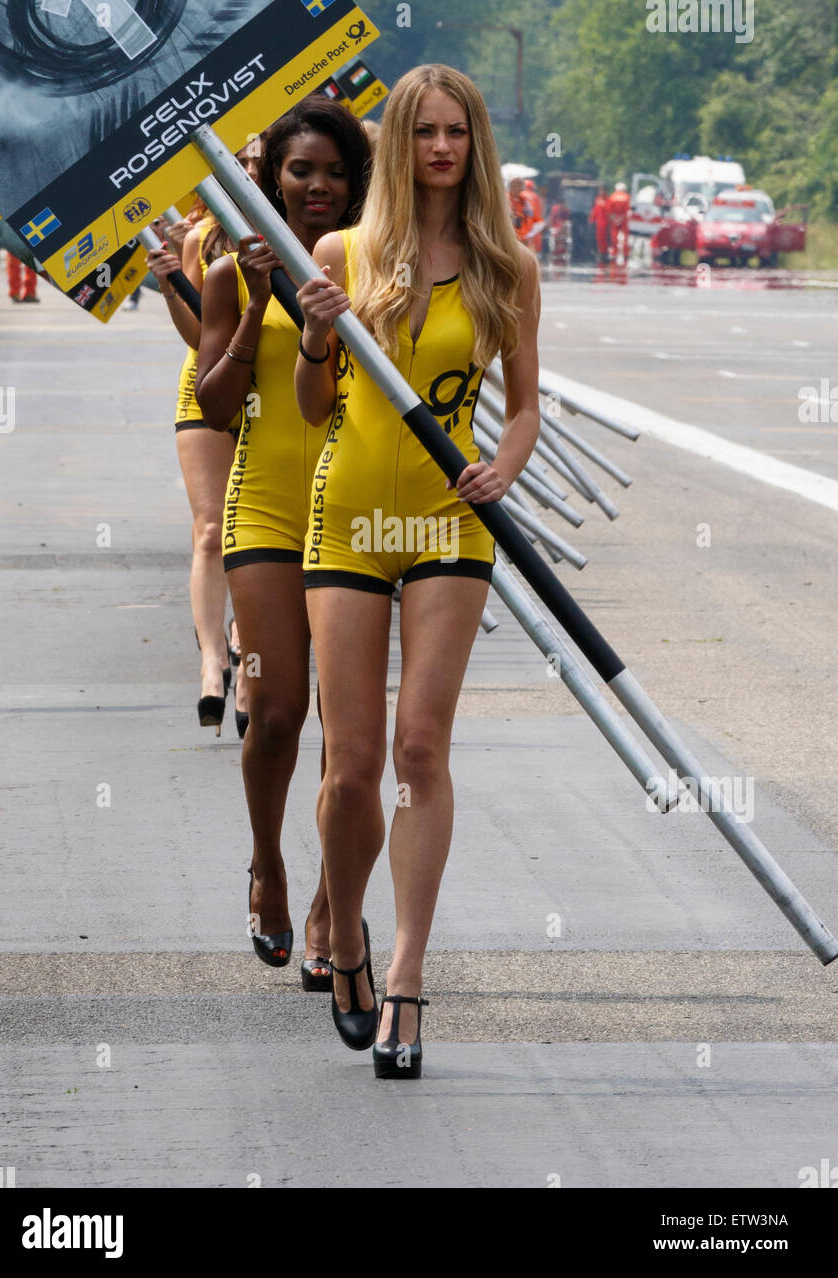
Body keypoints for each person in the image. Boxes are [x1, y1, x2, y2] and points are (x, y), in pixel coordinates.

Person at [294, 63, 540, 1075]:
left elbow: (522, 407)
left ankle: (403, 974)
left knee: (420, 752)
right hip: (348, 520)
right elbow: (314, 409)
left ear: (473, 145)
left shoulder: (507, 267)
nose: (441, 148)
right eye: (424, 131)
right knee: (350, 765)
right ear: (396, 144)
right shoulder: (341, 252)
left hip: (447, 526)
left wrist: (505, 465)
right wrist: (314, 334)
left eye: (457, 131)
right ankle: (341, 932)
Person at [196, 98, 372, 990]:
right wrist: (261, 300)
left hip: (360, 521)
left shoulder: (377, 274)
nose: (317, 186)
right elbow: (216, 404)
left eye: (335, 172)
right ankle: (268, 865)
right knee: (274, 714)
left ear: (356, 185)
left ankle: (335, 910)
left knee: (351, 734)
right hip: (263, 512)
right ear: (271, 178)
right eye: (301, 170)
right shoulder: (233, 276)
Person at [144, 148, 259, 738]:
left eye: (257, 158)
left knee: (256, 532)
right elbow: (198, 338)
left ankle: (248, 648)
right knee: (211, 528)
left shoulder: (302, 234)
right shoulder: (202, 238)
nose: (246, 167)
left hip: (273, 392)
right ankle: (213, 660)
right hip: (208, 387)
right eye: (236, 158)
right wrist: (170, 289)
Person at [607, 181, 631, 263]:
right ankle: (625, 254)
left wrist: (615, 219)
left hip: (615, 220)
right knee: (625, 238)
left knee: (614, 237)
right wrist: (621, 219)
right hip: (623, 220)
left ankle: (614, 253)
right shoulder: (627, 197)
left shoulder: (612, 196)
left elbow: (609, 211)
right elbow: (628, 210)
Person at [588, 187, 609, 262]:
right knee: (599, 238)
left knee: (605, 239)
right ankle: (600, 252)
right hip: (598, 222)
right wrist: (592, 219)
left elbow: (609, 212)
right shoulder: (597, 199)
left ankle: (604, 254)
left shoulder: (608, 200)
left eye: (603, 190)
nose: (601, 192)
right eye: (600, 190)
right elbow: (595, 210)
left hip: (606, 223)